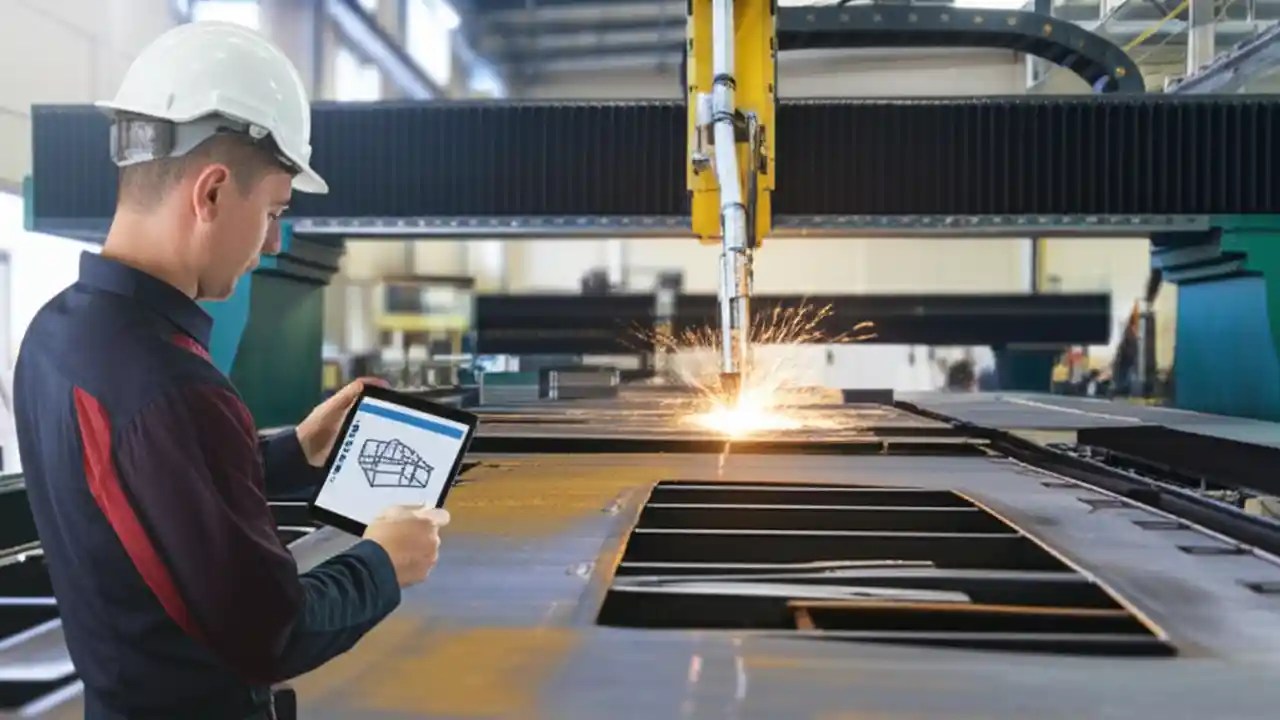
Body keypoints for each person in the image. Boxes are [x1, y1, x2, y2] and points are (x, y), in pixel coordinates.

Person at [12, 21, 448, 720]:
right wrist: (383, 563)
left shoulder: (57, 333)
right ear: (211, 193)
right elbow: (270, 632)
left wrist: (296, 451)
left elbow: (150, 488)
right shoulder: (174, 385)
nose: (273, 242)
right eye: (274, 210)